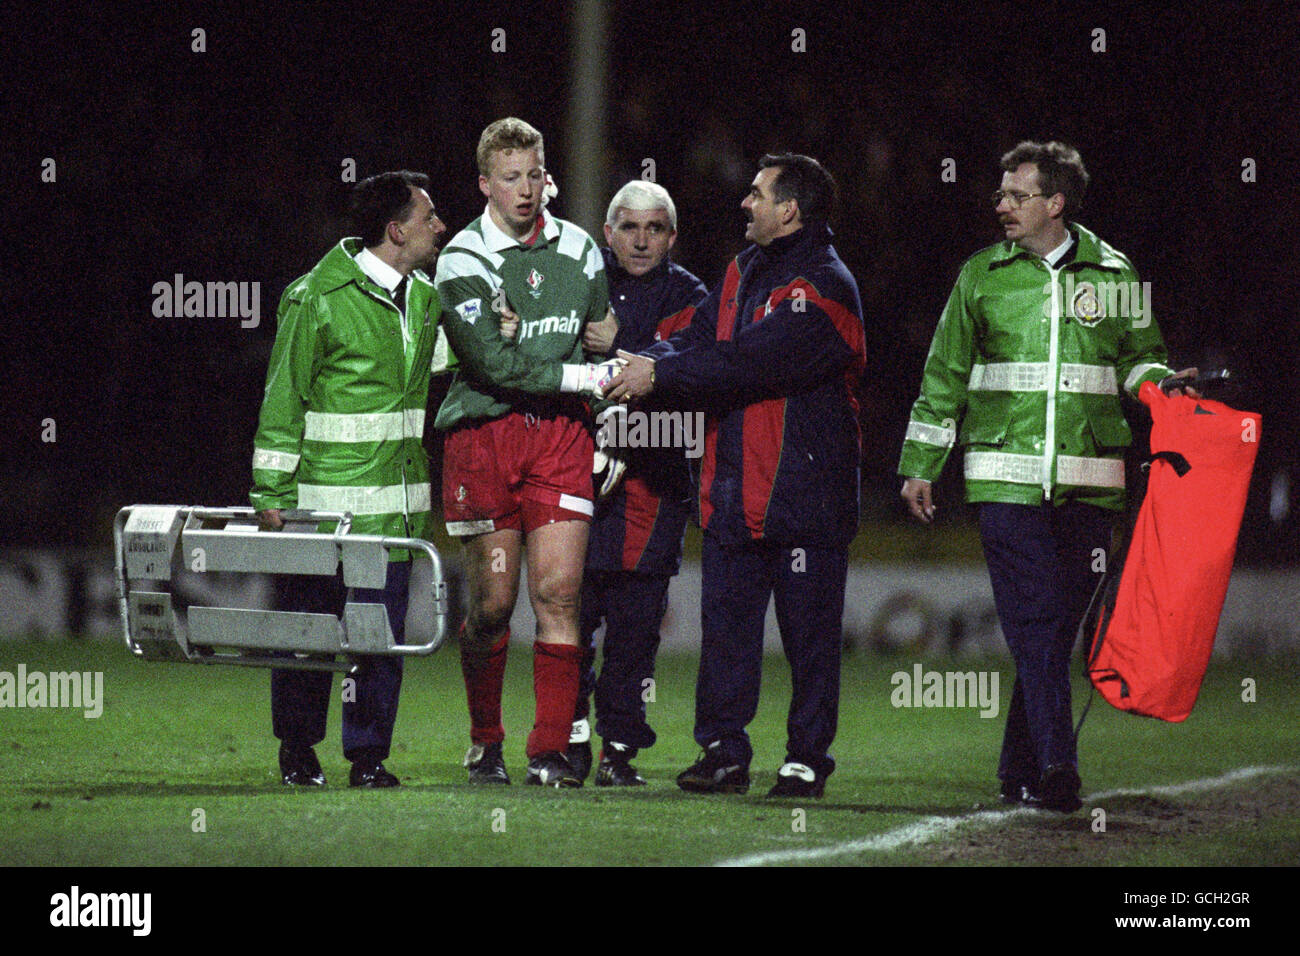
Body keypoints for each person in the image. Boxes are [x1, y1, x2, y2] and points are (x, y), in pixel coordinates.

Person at [897, 140, 1198, 812]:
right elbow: (943, 377)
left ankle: (1017, 768)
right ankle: (1059, 764)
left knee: (1056, 633)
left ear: (1055, 202)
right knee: (1035, 623)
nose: (1001, 205)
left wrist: (1162, 387)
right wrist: (921, 465)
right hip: (1004, 479)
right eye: (1002, 194)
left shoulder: (1116, 273)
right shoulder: (980, 275)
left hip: (1091, 483)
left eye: (1017, 195)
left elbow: (1139, 360)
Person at [605, 154, 866, 798]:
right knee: (726, 637)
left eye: (757, 194)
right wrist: (639, 363)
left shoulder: (826, 286)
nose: (745, 203)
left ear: (789, 210)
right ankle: (723, 752)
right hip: (730, 490)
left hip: (805, 497)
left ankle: (806, 759)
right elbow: (699, 343)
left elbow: (749, 361)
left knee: (809, 642)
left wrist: (657, 375)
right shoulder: (740, 270)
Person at [433, 117, 617, 788]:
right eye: (511, 178)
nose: (526, 189)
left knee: (559, 594)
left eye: (535, 175)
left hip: (561, 434)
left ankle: (550, 752)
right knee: (492, 605)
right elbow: (493, 367)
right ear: (486, 183)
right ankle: (486, 741)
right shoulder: (462, 259)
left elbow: (602, 335)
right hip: (486, 437)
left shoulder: (582, 250)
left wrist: (605, 408)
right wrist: (582, 376)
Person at [250, 170, 446, 788]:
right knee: (308, 638)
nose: (440, 226)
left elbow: (432, 363)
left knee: (377, 642)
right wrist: (270, 493)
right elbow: (284, 397)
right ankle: (297, 752)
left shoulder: (425, 298)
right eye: (429, 217)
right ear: (396, 230)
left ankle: (368, 759)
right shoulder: (316, 296)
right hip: (320, 510)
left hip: (395, 510)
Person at [563, 181, 708, 786]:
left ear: (672, 237)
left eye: (654, 229)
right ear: (608, 232)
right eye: (629, 227)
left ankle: (618, 749)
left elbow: (691, 374)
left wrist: (618, 345)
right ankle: (568, 740)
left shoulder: (693, 297)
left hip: (654, 480)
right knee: (568, 619)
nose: (641, 240)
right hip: (576, 473)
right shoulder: (578, 282)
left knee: (635, 629)